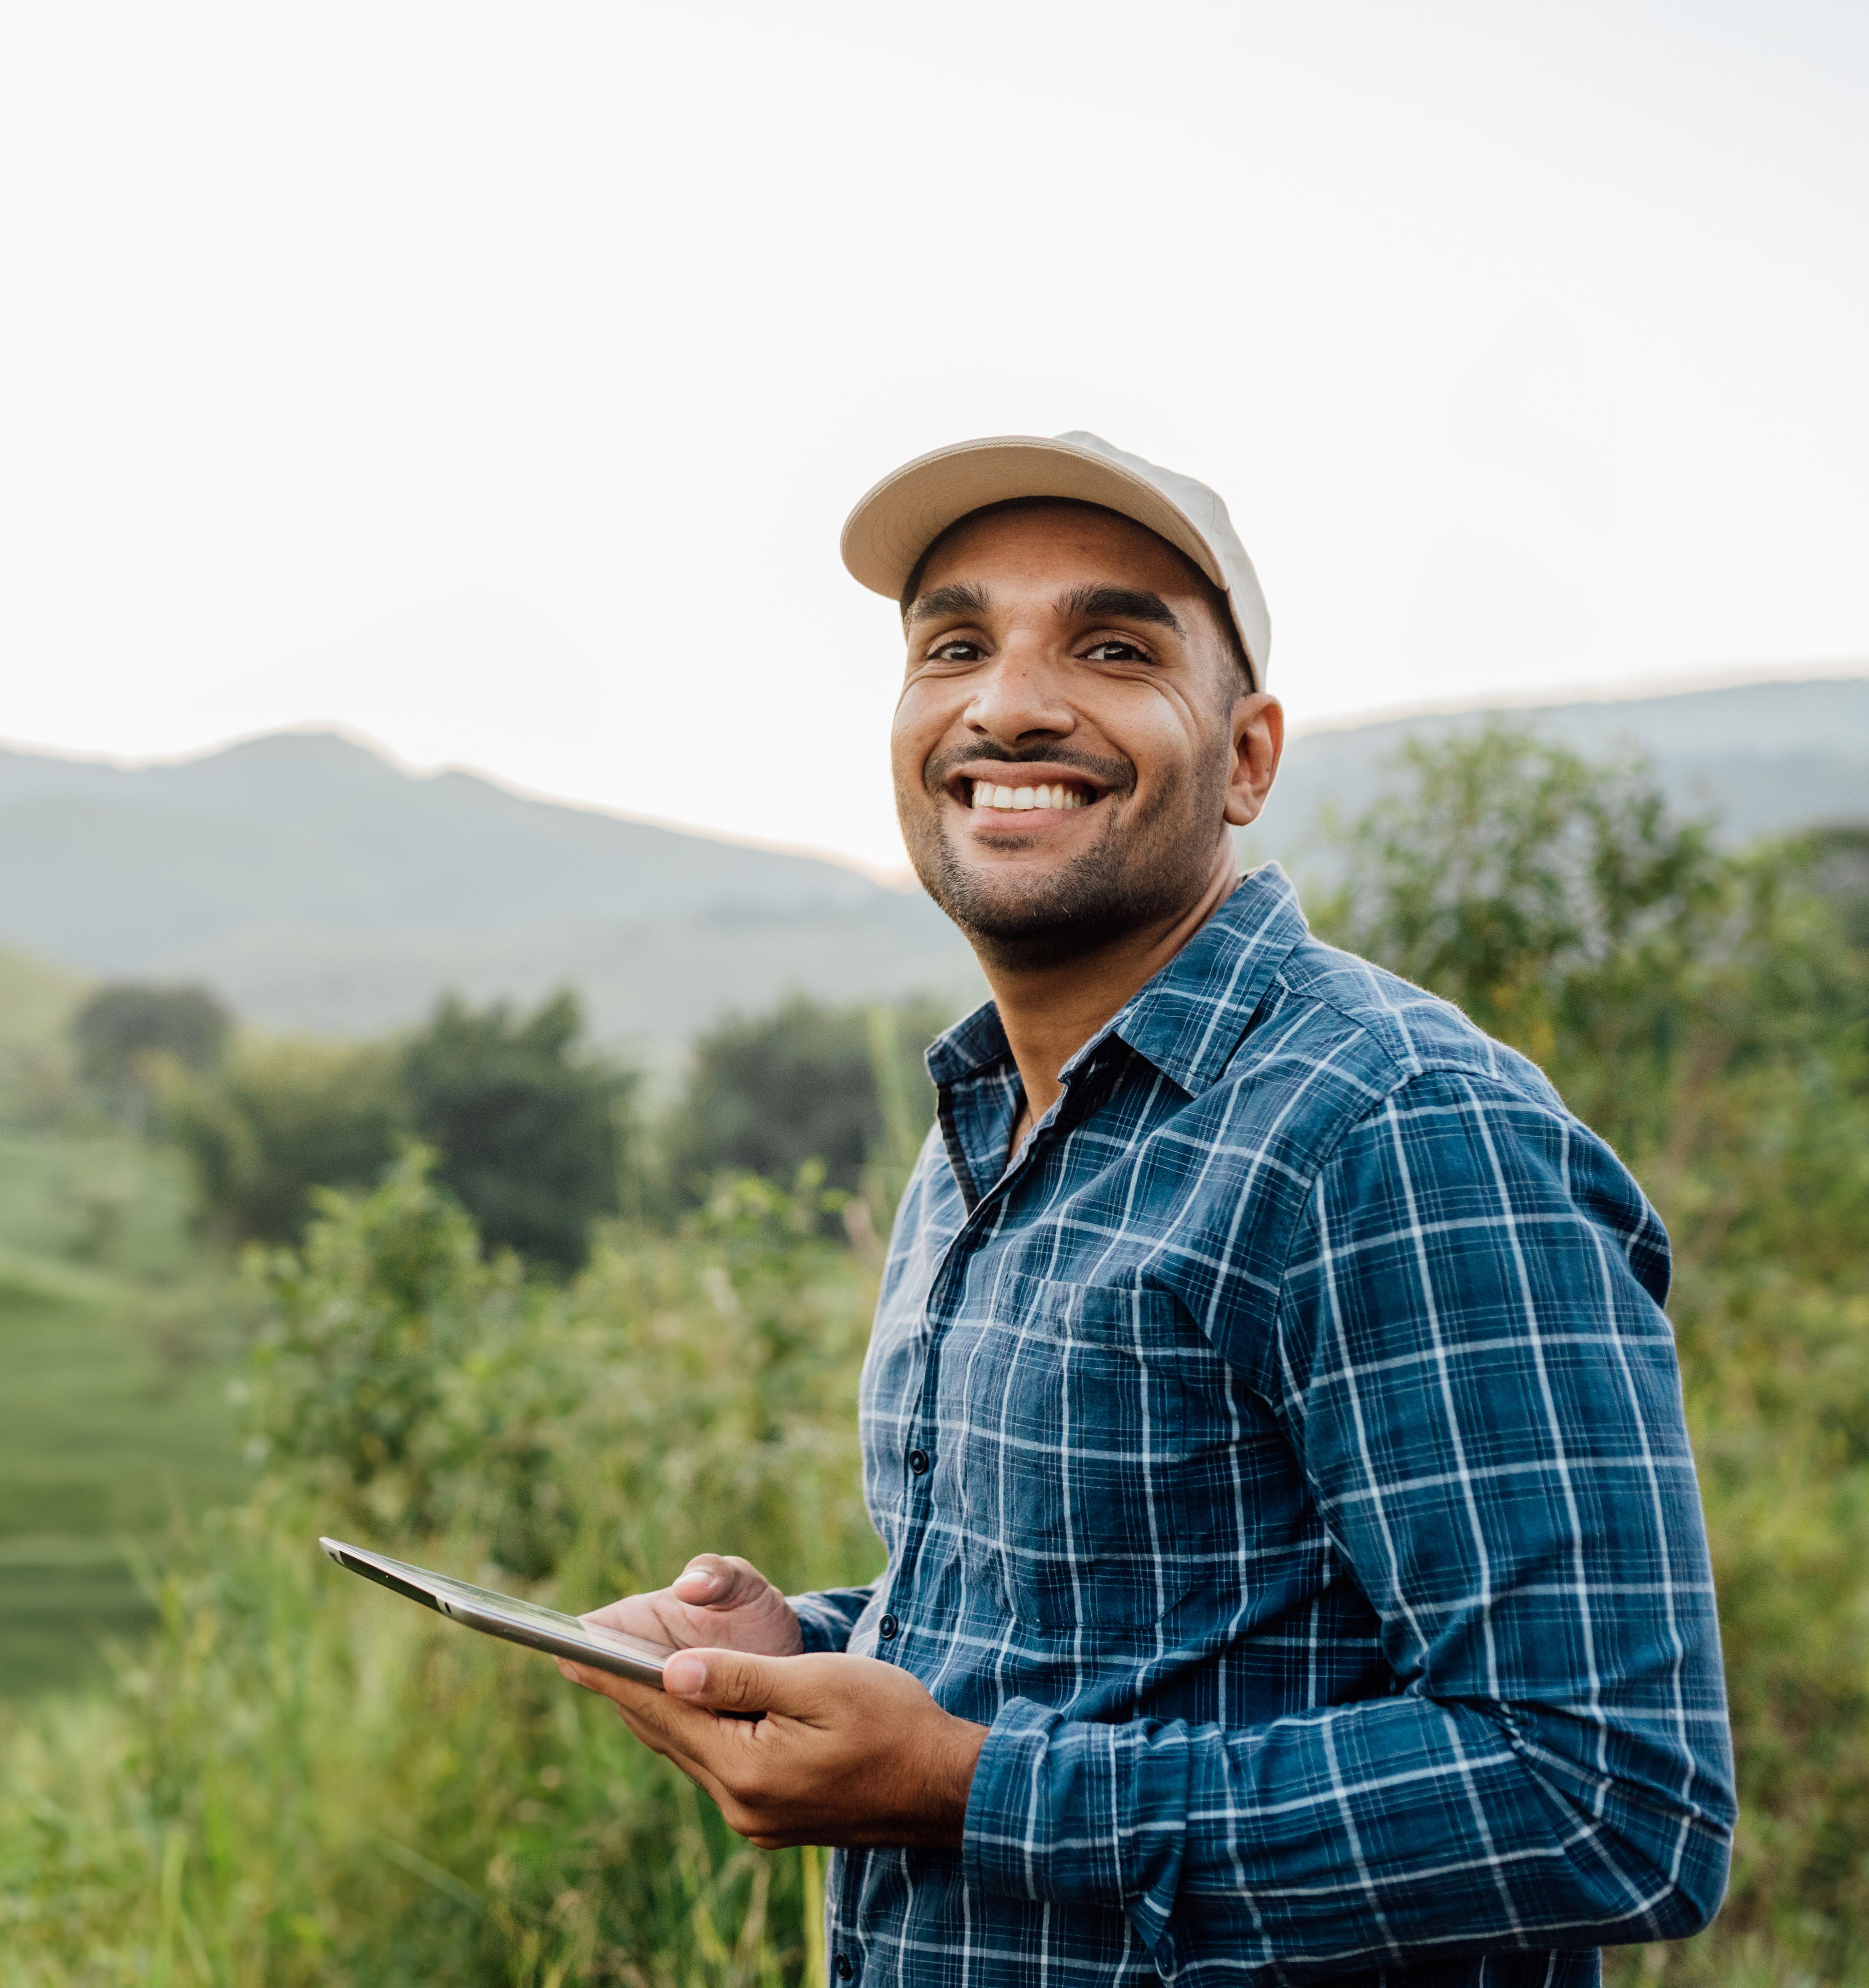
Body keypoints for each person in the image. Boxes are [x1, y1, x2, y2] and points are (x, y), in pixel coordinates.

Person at [558, 433, 1734, 1985]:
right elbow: (1129, 1629)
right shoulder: (994, 1119)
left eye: (1113, 649)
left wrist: (968, 1790)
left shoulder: (1392, 1129)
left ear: (1247, 758)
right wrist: (819, 1650)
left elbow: (1608, 1803)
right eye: (955, 647)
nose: (1009, 704)